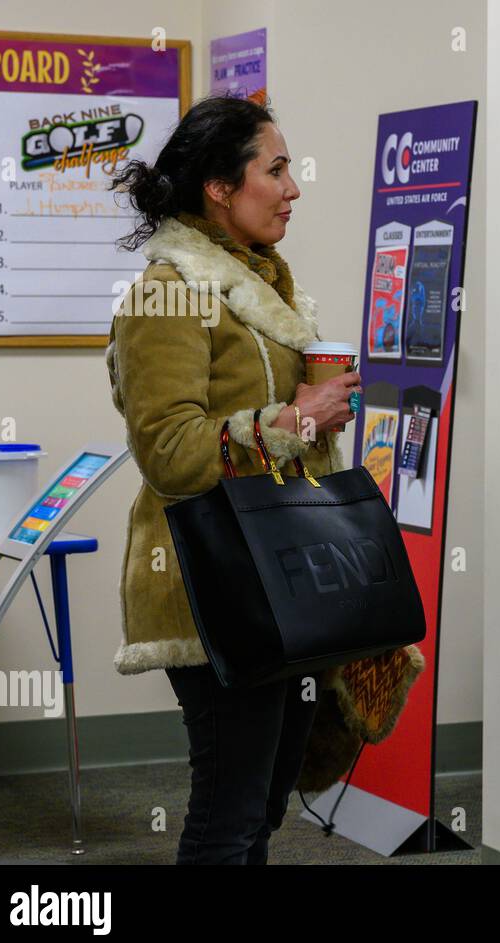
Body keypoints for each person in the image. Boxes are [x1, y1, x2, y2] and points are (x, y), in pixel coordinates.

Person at [106, 94, 364, 864]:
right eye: (275, 169)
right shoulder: (170, 288)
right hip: (213, 586)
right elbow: (171, 452)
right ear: (220, 186)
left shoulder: (260, 282)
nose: (294, 187)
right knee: (227, 817)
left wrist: (307, 413)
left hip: (278, 576)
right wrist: (298, 419)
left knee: (259, 811)